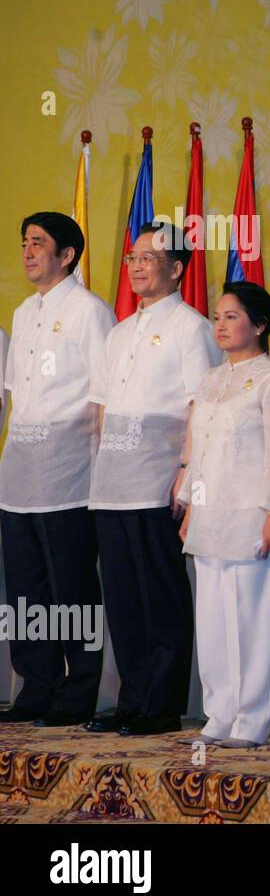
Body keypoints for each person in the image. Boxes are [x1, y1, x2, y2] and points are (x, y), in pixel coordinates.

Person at [86, 220, 221, 736]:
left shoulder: (191, 327)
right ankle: (131, 699)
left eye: (149, 257)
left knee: (159, 592)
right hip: (112, 483)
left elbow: (200, 406)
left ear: (177, 267)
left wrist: (185, 475)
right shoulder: (120, 331)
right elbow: (101, 410)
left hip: (157, 479)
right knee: (121, 595)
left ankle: (161, 704)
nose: (138, 267)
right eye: (132, 258)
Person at [0, 213, 114, 725]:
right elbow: (15, 396)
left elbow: (104, 394)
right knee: (27, 589)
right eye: (24, 243)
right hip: (19, 473)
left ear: (67, 255)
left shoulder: (91, 312)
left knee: (73, 588)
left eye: (38, 243)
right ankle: (34, 688)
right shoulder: (24, 312)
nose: (27, 252)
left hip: (68, 473)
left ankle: (78, 691)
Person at [179, 282, 270, 747]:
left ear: (260, 324)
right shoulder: (211, 379)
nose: (221, 325)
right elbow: (197, 447)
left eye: (232, 316)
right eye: (217, 316)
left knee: (250, 618)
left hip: (251, 515)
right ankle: (219, 713)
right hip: (209, 515)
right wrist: (188, 502)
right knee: (212, 620)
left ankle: (250, 719)